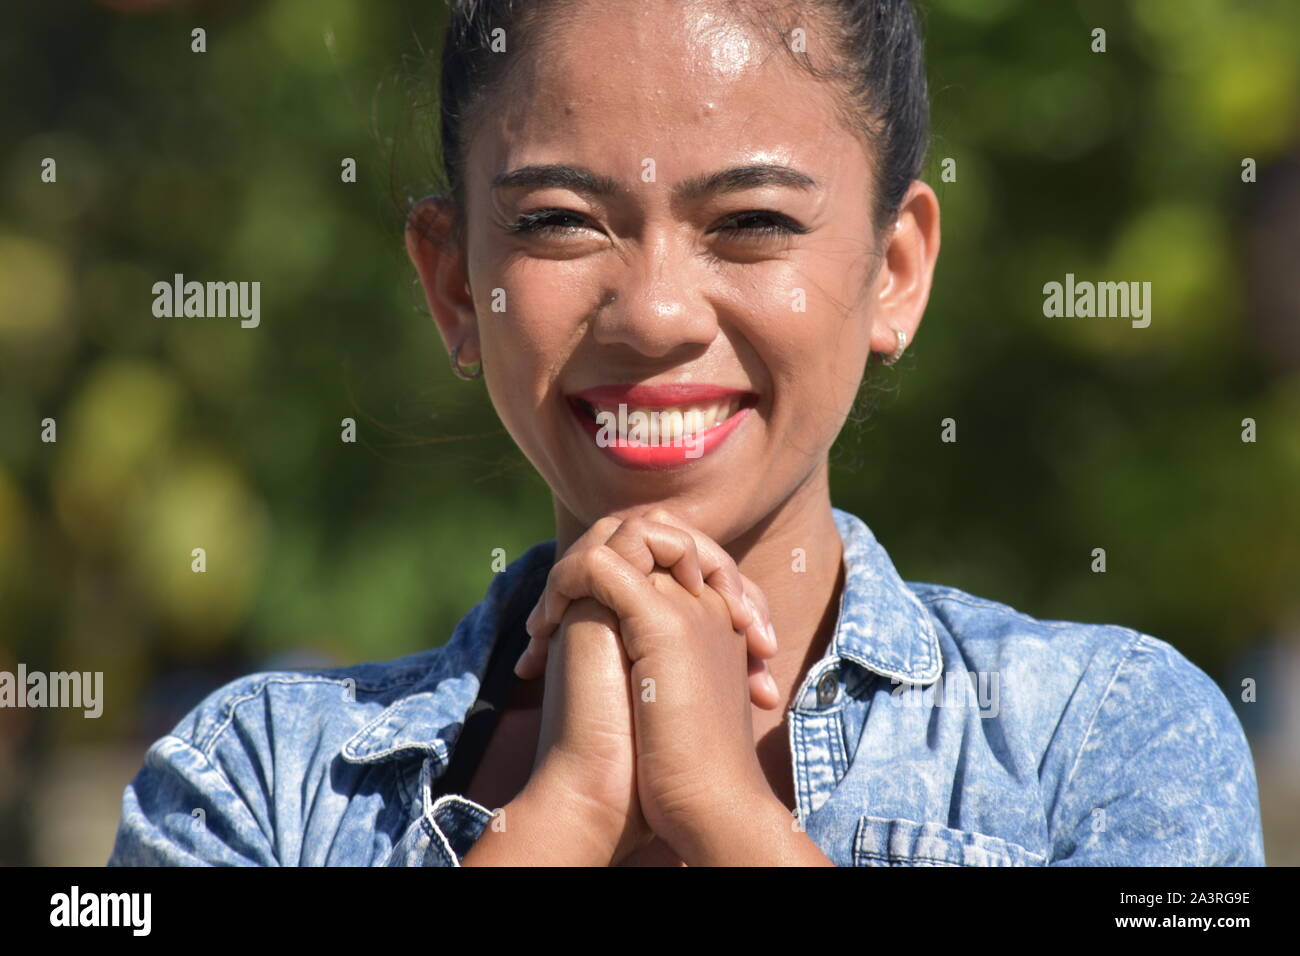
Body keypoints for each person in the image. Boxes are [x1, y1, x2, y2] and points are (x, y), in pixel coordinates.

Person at [108, 0, 1265, 866]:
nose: (655, 312)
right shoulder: (256, 785)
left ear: (895, 270)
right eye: (560, 222)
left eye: (752, 220)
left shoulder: (1102, 740)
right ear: (455, 284)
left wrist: (725, 814)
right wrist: (566, 807)